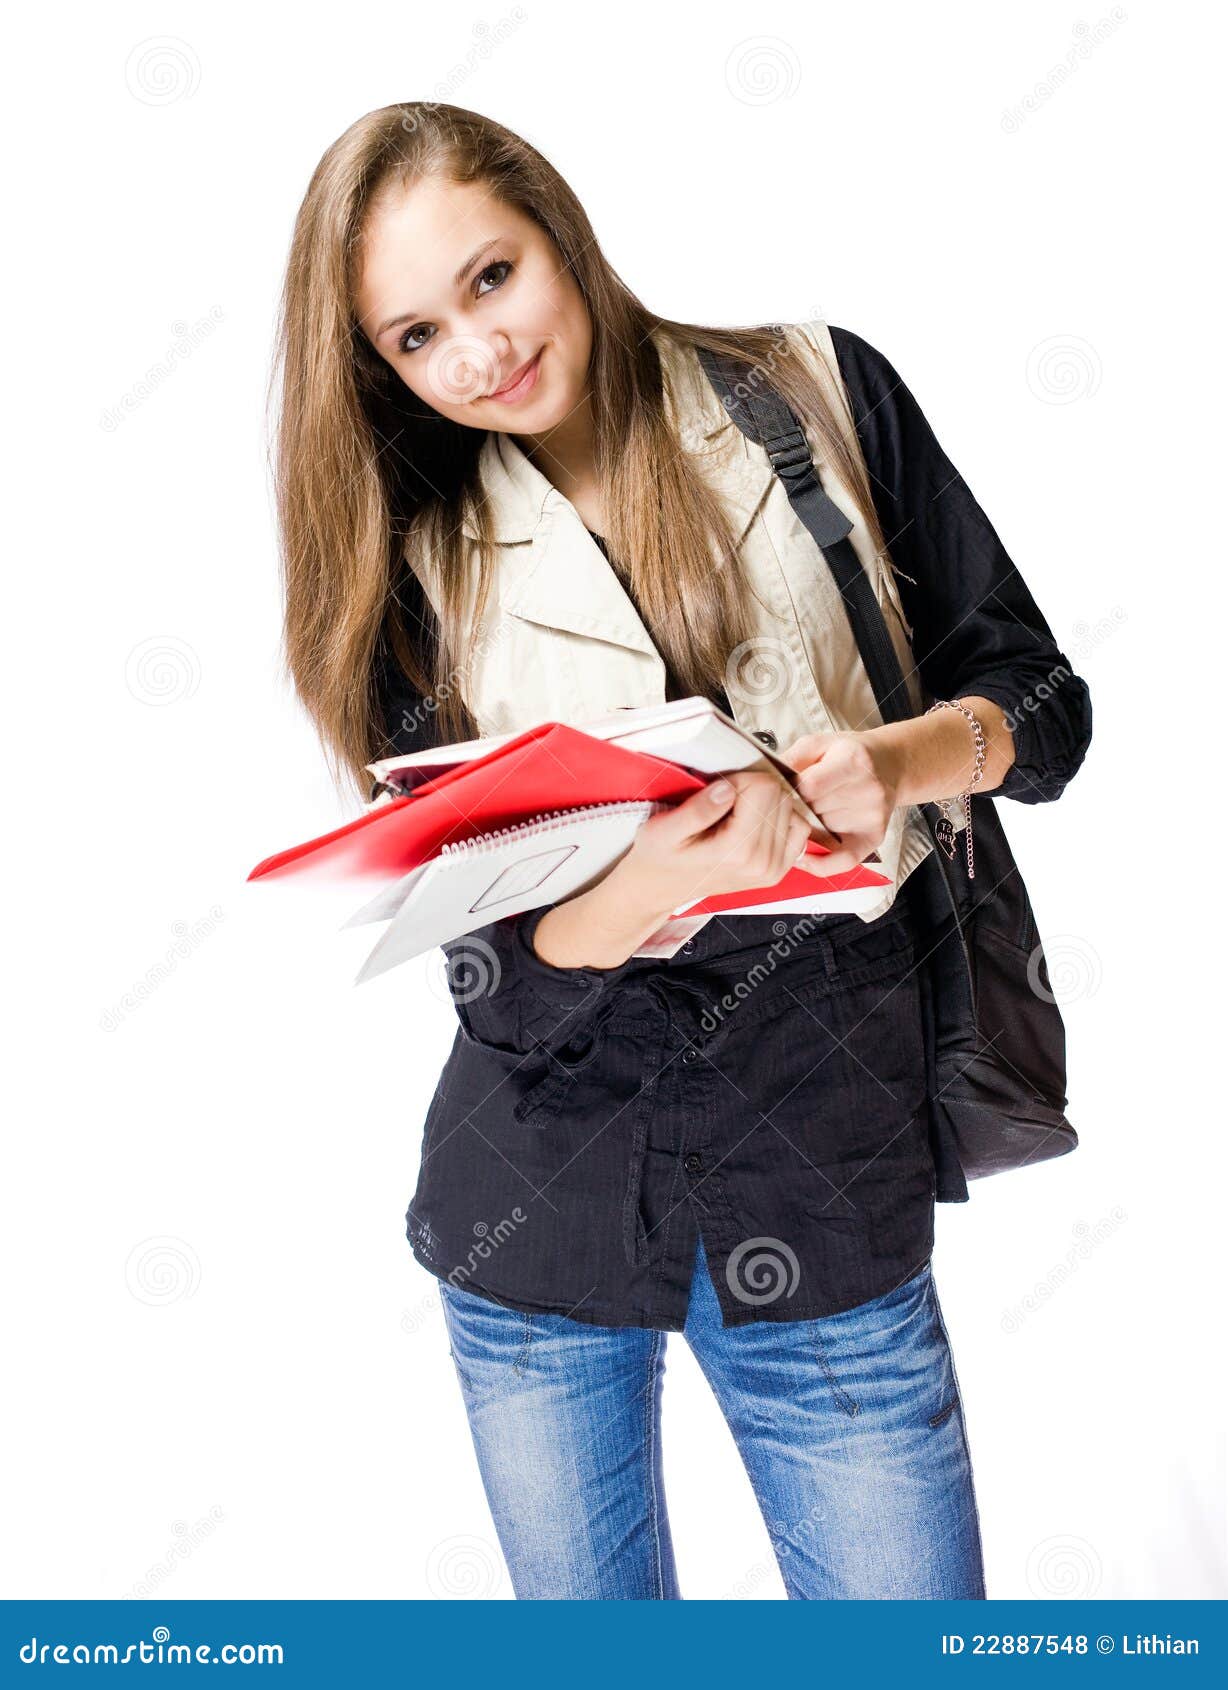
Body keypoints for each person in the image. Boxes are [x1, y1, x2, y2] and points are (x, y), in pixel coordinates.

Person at [270, 101, 1093, 1600]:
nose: (479, 351)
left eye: (491, 277)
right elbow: (499, 990)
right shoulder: (409, 564)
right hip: (539, 1224)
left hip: (828, 1192)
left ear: (556, 226)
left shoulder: (815, 391)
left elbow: (1045, 707)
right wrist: (659, 876)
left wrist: (898, 762)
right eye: (414, 337)